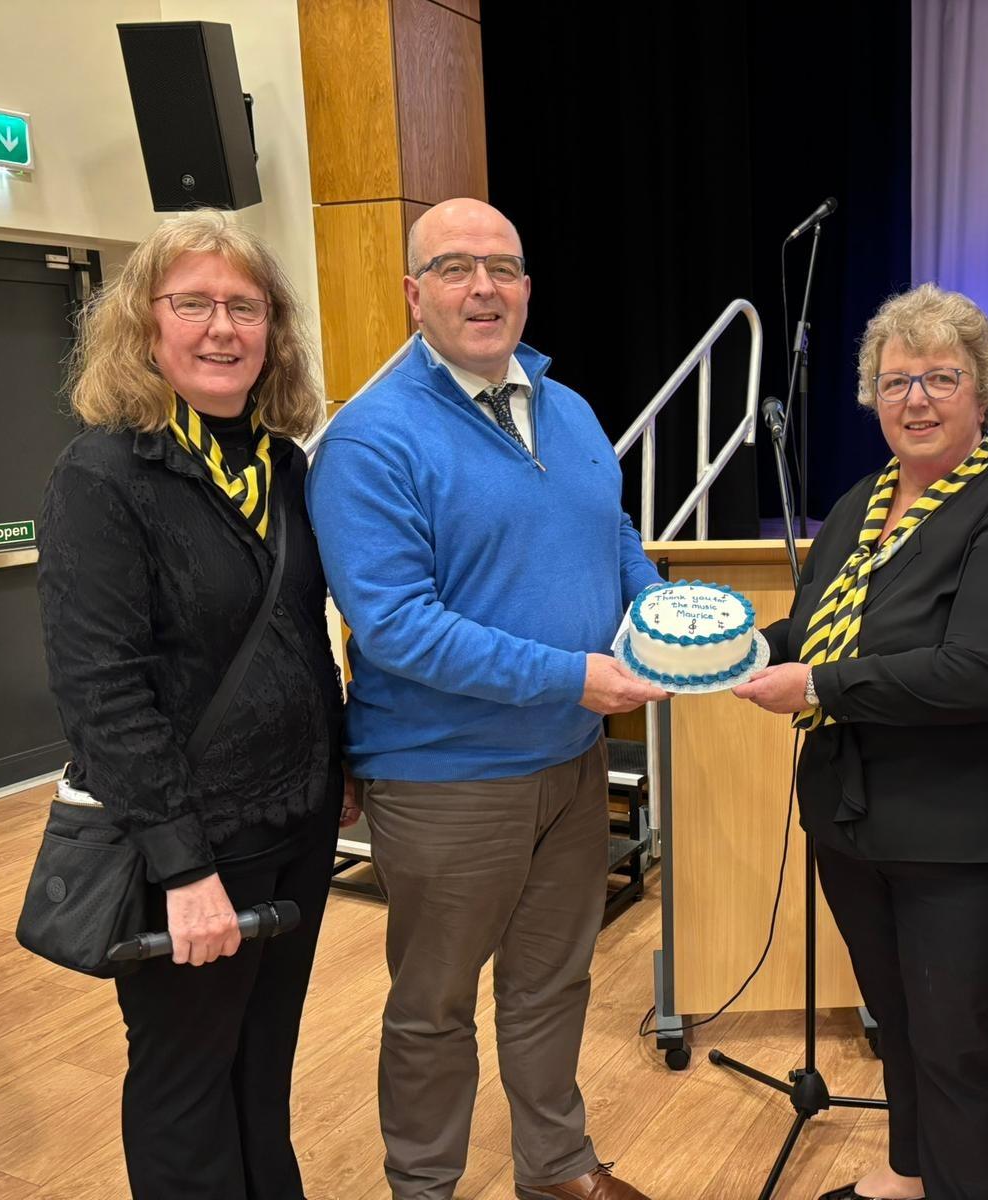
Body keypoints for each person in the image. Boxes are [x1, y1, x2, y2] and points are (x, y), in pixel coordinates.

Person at [306, 198, 665, 1200]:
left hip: (571, 760)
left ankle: (554, 1168)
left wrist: (657, 614)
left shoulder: (572, 409)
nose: (483, 288)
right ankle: (424, 1188)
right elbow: (396, 626)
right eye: (456, 268)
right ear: (414, 294)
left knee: (554, 985)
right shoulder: (370, 442)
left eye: (502, 268)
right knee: (432, 1006)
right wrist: (574, 674)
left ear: (527, 290)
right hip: (446, 777)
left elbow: (615, 540)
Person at [735, 284, 988, 1200]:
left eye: (942, 377)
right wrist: (728, 648)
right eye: (897, 382)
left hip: (972, 835)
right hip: (858, 823)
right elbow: (816, 628)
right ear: (873, 397)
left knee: (955, 1038)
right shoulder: (862, 503)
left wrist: (815, 686)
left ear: (984, 394)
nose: (918, 399)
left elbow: (985, 670)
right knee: (896, 1016)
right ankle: (911, 1174)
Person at [37, 211, 348, 1200]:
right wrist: (183, 870)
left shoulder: (281, 465)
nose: (222, 328)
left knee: (260, 1069)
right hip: (191, 842)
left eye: (243, 306)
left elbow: (302, 636)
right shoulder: (104, 474)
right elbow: (102, 691)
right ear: (145, 327)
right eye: (194, 304)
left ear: (273, 329)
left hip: (292, 826)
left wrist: (335, 777)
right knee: (182, 1085)